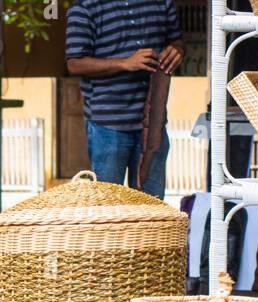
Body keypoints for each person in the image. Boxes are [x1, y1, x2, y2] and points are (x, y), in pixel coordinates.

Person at [66, 0, 184, 199]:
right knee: (109, 205)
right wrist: (124, 63)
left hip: (152, 124)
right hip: (108, 127)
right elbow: (75, 63)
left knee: (151, 207)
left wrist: (177, 50)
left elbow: (177, 41)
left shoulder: (162, 3)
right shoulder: (84, 8)